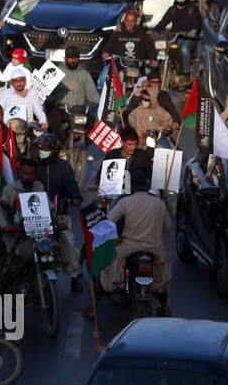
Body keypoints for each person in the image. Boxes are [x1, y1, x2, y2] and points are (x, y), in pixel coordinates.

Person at [92, 168, 172, 316]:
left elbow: (109, 221)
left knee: (107, 263)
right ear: (147, 184)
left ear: (132, 185)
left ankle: (114, 289)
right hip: (155, 248)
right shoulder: (159, 203)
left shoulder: (125, 202)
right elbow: (167, 226)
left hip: (129, 247)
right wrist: (164, 207)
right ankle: (165, 306)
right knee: (161, 274)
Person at [33, 133, 85, 291]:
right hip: (35, 216)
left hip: (58, 215)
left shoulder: (64, 167)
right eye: (39, 148)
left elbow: (73, 190)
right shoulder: (32, 166)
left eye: (46, 148)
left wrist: (74, 198)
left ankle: (74, 276)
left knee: (68, 243)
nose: (42, 151)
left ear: (54, 150)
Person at [153, 0, 202, 77]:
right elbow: (162, 23)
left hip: (190, 39)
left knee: (184, 49)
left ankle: (186, 74)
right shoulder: (172, 10)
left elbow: (198, 23)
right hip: (175, 37)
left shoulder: (193, 9)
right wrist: (154, 31)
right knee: (164, 49)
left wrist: (194, 31)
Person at [0, 69, 48, 133]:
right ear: (11, 82)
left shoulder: (32, 92)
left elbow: (38, 109)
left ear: (25, 81)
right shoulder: (5, 93)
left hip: (28, 127)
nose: (19, 83)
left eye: (21, 80)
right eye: (15, 81)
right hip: (9, 128)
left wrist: (43, 121)